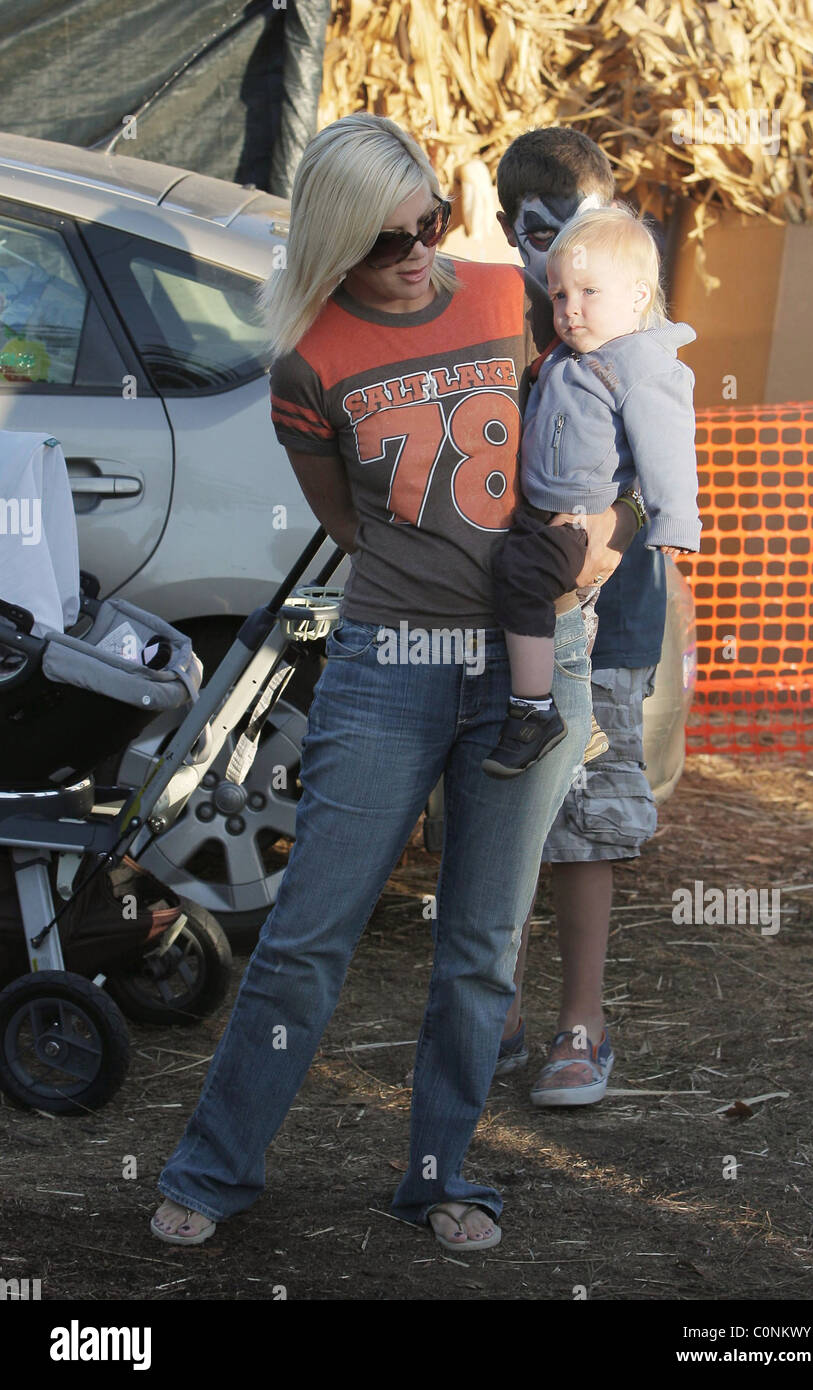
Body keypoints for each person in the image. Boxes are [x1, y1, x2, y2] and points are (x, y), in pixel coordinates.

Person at [149, 113, 639, 1251]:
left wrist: (610, 528)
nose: (419, 251)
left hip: (532, 659)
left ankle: (441, 1177)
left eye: (432, 221)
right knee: (307, 933)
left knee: (479, 945)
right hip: (390, 663)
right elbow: (345, 521)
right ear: (334, 241)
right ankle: (213, 1169)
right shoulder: (308, 360)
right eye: (385, 240)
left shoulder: (507, 300)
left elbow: (611, 432)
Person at [492, 128, 696, 1104]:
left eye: (578, 232)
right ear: (508, 231)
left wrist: (618, 531)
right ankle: (494, 1003)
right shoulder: (507, 328)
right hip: (513, 604)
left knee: (583, 814)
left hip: (606, 616)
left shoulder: (627, 324)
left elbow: (662, 473)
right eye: (539, 237)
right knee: (502, 806)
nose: (560, 263)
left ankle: (582, 1021)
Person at [482, 205, 701, 778]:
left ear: (637, 295)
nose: (570, 309)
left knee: (523, 579)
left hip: (582, 520)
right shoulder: (573, 356)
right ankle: (578, 721)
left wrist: (675, 520)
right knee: (557, 614)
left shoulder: (643, 365)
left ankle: (535, 712)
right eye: (559, 295)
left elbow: (669, 447)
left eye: (589, 292)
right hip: (540, 509)